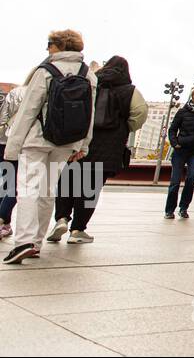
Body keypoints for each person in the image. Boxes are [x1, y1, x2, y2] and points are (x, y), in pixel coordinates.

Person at [3, 30, 97, 265]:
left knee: (28, 188)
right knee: (47, 190)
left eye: (49, 45)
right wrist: (83, 145)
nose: (47, 49)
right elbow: (90, 114)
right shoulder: (89, 75)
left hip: (37, 139)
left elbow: (28, 111)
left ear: (59, 46)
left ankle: (24, 241)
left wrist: (12, 146)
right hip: (66, 142)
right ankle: (35, 243)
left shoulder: (45, 71)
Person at [49, 55, 148, 244]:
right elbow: (140, 113)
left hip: (79, 142)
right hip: (108, 147)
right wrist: (125, 126)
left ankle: (61, 219)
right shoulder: (130, 91)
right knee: (90, 189)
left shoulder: (90, 82)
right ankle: (77, 230)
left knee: (68, 182)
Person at [164, 86, 194, 220]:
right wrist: (175, 143)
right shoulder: (182, 112)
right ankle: (169, 210)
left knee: (192, 178)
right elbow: (172, 130)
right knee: (175, 182)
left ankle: (183, 208)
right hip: (180, 150)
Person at [0, 86, 25, 240]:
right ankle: (3, 221)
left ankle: (5, 224)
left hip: (3, 142)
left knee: (5, 182)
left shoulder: (14, 92)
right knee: (14, 185)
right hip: (22, 144)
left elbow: (3, 119)